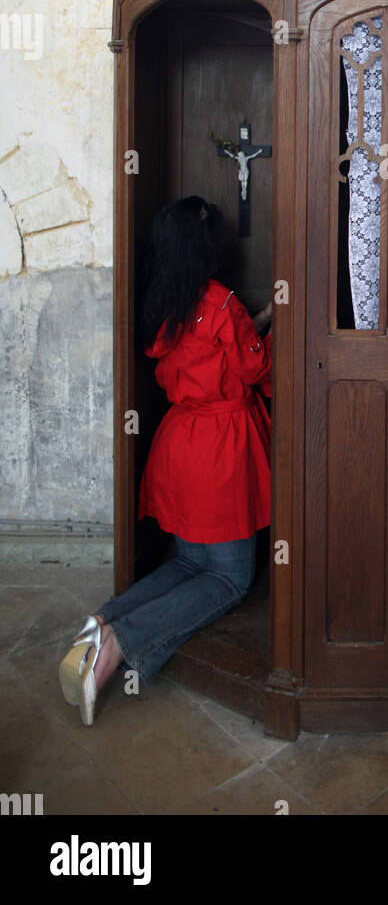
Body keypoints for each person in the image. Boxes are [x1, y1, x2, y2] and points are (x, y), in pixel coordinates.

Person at [58, 195, 272, 726]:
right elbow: (253, 368)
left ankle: (102, 624)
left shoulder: (163, 302)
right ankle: (115, 647)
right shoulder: (223, 304)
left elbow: (204, 352)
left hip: (178, 443)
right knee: (228, 580)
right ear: (206, 250)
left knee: (186, 562)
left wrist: (256, 318)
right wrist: (271, 321)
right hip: (220, 451)